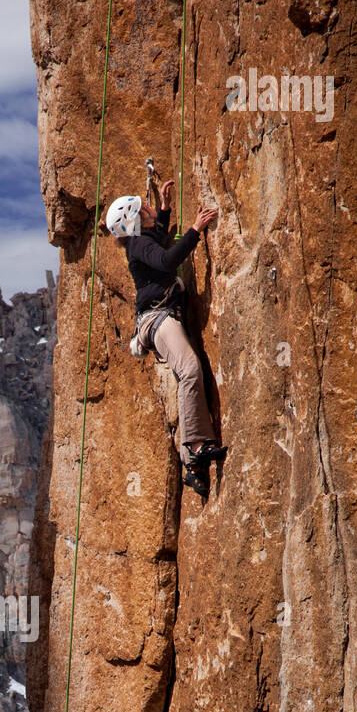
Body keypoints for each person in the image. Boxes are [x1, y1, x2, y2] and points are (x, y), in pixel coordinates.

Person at [105, 183, 225, 498]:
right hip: (157, 319)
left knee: (187, 370)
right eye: (142, 207)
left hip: (156, 319)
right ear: (133, 219)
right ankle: (197, 446)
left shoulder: (139, 242)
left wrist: (165, 209)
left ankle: (192, 465)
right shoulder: (137, 244)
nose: (146, 207)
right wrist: (195, 229)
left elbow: (156, 241)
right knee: (189, 369)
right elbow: (167, 260)